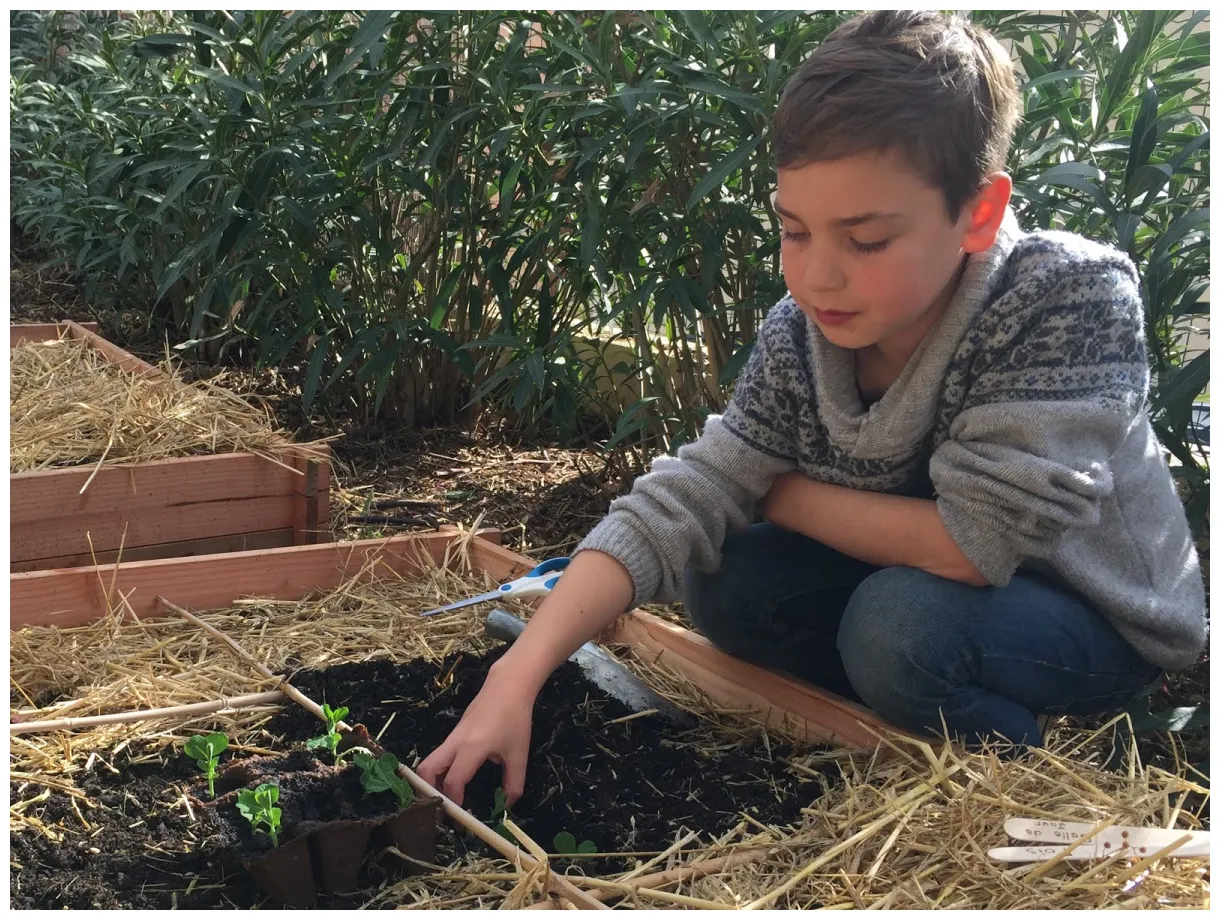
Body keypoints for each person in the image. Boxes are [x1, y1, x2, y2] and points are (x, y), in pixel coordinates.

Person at [418, 10, 1208, 807]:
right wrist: (518, 674)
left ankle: (1022, 788)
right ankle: (891, 726)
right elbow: (686, 495)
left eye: (866, 241)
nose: (818, 277)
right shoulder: (802, 333)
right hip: (925, 590)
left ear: (978, 213)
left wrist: (779, 494)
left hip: (1089, 615)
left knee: (898, 629)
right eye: (794, 231)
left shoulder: (1063, 297)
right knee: (727, 580)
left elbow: (975, 546)